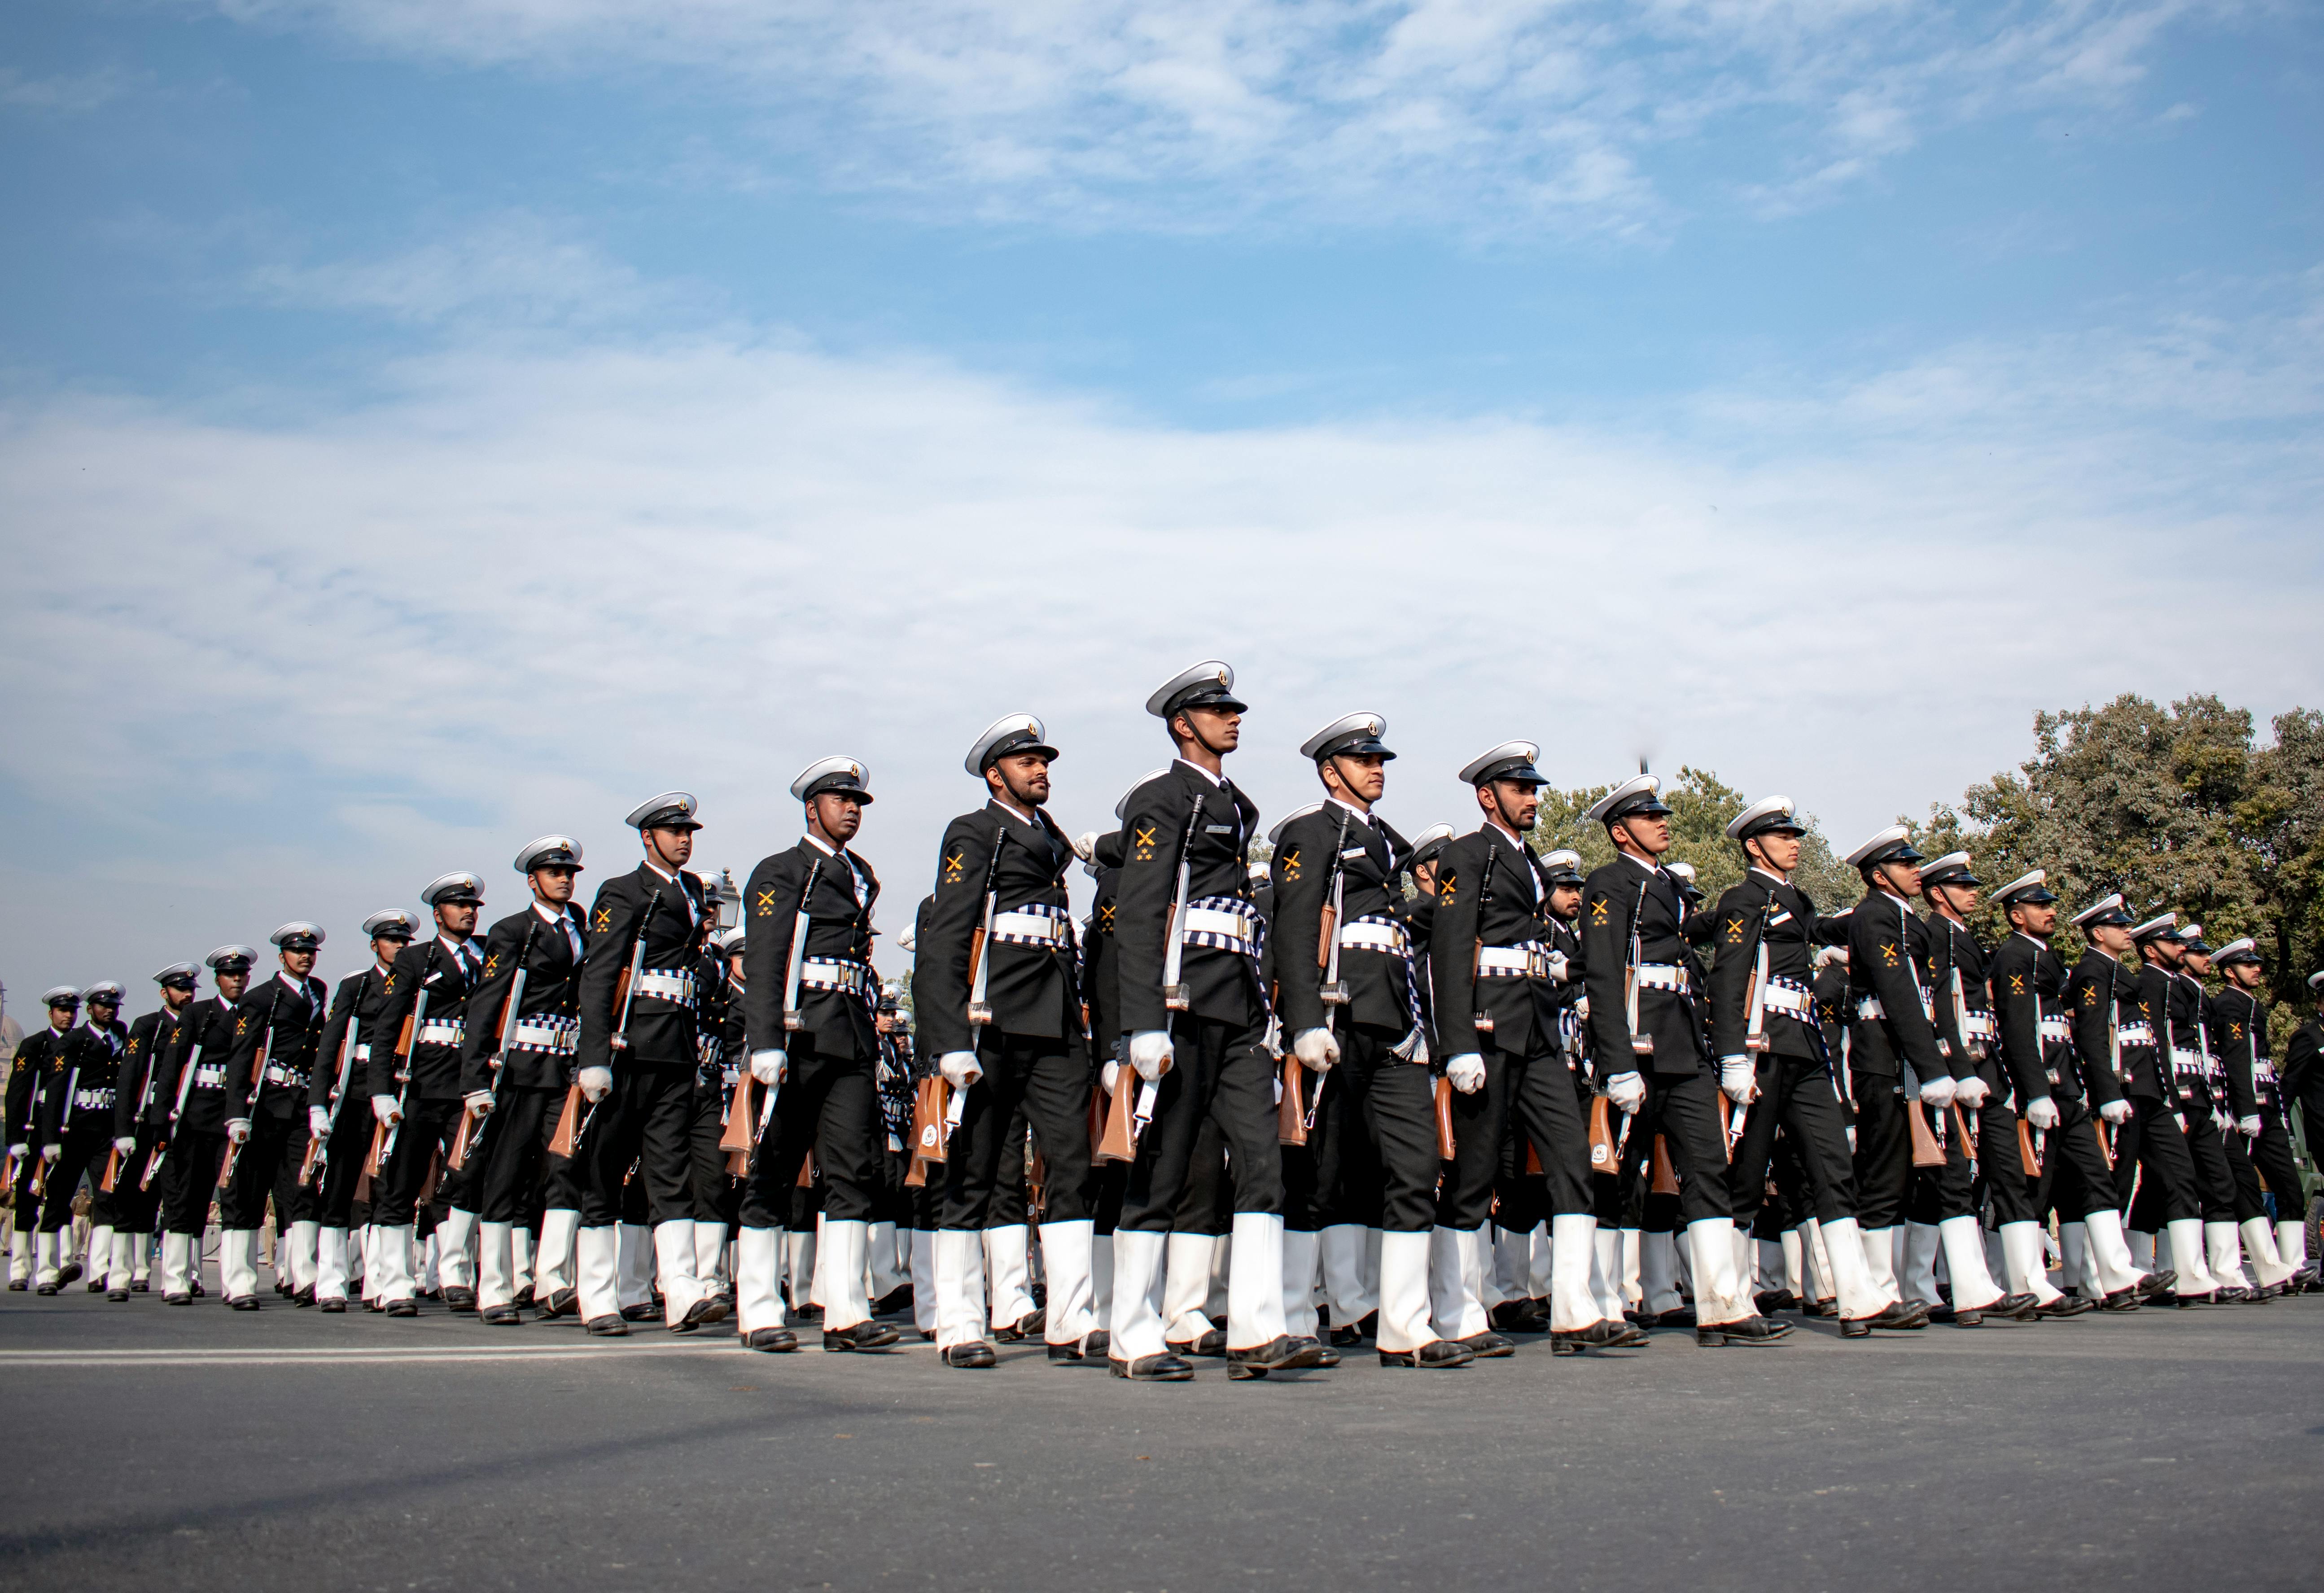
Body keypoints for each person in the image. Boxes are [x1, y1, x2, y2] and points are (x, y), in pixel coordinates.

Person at [1109, 663, 1321, 1382]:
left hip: (1235, 1011)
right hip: (1179, 1005)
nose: (1233, 718)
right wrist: (1141, 1021)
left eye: (1234, 708)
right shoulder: (1161, 799)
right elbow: (1140, 911)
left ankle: (1255, 1331)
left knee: (1261, 1163)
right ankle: (1132, 1331)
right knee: (1163, 1164)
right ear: (1181, 723)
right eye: (1217, 710)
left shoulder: (1234, 803)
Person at [1270, 715, 1465, 1369]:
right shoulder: (1310, 831)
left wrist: (1419, 1027)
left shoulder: (1388, 842)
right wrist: (1301, 1023)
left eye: (1380, 759)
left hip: (1390, 1022)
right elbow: (1296, 930)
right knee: (1318, 1171)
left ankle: (1402, 1326)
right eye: (1362, 760)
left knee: (1412, 1167)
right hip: (1334, 1017)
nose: (1377, 768)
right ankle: (1296, 1315)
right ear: (1331, 771)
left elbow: (1404, 946)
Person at [917, 715, 1101, 1368]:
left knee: (1072, 1166)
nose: (1040, 769)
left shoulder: (1048, 839)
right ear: (995, 774)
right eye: (1026, 762)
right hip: (990, 1025)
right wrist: (948, 1038)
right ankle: (961, 1320)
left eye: (1043, 760)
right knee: (974, 1171)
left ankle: (1071, 1319)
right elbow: (945, 938)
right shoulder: (974, 832)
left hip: (1053, 1029)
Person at [1584, 775, 1782, 1346]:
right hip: (1637, 1050)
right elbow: (1602, 973)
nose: (1664, 822)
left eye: (1663, 815)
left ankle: (1723, 1305)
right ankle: (1602, 1301)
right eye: (1650, 818)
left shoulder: (1668, 885)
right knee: (1614, 1179)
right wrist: (1617, 1062)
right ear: (1621, 831)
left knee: (1709, 1169)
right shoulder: (1609, 883)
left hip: (1684, 1051)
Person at [1710, 797, 1917, 1335]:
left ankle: (1858, 1296)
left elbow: (1826, 930)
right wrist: (1732, 1057)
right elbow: (1729, 981)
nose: (1795, 842)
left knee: (1834, 1167)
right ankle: (1728, 1301)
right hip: (1761, 1049)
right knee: (1747, 1176)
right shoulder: (1743, 900)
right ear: (1755, 845)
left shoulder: (1797, 902)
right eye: (1783, 836)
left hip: (1803, 1048)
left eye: (1796, 834)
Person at [737, 760, 899, 1354]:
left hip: (851, 1036)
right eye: (840, 799)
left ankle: (845, 1311)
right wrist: (764, 1043)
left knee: (852, 1170)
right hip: (798, 1034)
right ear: (811, 807)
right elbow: (765, 961)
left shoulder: (860, 873)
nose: (851, 808)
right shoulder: (782, 871)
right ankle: (757, 1309)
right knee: (775, 1167)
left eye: (858, 801)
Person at [573, 795, 726, 1337]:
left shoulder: (691, 892)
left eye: (689, 832)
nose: (684, 840)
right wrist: (593, 1058)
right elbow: (599, 976)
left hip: (675, 1054)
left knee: (670, 1173)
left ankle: (681, 1291)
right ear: (648, 837)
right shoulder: (623, 891)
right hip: (629, 1049)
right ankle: (596, 1296)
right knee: (605, 1170)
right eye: (673, 831)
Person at [457, 836, 592, 1326]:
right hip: (518, 1069)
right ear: (533, 880)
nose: (564, 879)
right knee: (506, 1176)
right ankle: (493, 1287)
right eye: (554, 872)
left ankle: (551, 1280)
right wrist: (474, 1078)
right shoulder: (512, 931)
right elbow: (486, 1006)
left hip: (564, 1072)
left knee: (564, 1170)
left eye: (570, 872)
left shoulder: (583, 931)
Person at [1982, 871, 2125, 1312]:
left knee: (2096, 1176)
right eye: (2039, 905)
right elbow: (2020, 1029)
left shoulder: (2046, 956)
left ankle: (2116, 1274)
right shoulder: (2014, 955)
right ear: (2015, 914)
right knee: (2031, 1188)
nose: (2050, 911)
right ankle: (2018, 1281)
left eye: (2050, 904)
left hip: (2067, 1089)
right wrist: (2035, 1090)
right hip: (2040, 1087)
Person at [1905, 854, 2035, 1323]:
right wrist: (1955, 1067)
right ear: (1938, 893)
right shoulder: (1934, 935)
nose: (1973, 891)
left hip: (1984, 1063)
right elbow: (1940, 1005)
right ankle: (1931, 1283)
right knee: (1946, 1179)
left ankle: (2020, 1278)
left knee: (1998, 1174)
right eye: (1963, 886)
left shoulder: (1966, 938)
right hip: (1955, 1065)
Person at [367, 875, 488, 1316]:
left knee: (468, 1177)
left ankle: (454, 1273)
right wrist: (381, 1091)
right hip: (419, 1086)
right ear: (439, 914)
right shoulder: (416, 959)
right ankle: (396, 1281)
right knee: (401, 1182)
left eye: (473, 905)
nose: (469, 912)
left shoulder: (488, 955)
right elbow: (386, 1030)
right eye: (458, 906)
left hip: (467, 1086)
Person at [2062, 895, 2189, 1299]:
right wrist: (2106, 1093)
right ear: (2098, 933)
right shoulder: (2092, 970)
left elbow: (2149, 1042)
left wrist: (2169, 1096)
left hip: (2148, 1092)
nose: (2127, 932)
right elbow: (2094, 1036)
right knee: (2113, 1184)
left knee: (2178, 1174)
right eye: (2119, 927)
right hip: (2122, 1090)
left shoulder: (2119, 972)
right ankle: (2097, 1279)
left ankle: (2186, 1271)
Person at [213, 924, 329, 1309]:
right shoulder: (261, 998)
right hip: (263, 1105)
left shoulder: (318, 992)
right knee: (248, 1192)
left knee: (302, 1188)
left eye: (310, 951)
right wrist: (237, 1114)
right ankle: (241, 1282)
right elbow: (241, 1057)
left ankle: (304, 1277)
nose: (305, 957)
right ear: (283, 956)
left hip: (300, 1104)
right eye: (297, 951)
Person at [307, 911, 415, 1312]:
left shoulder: (415, 983)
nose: (400, 947)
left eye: (404, 941)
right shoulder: (355, 986)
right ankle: (332, 1281)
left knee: (388, 1187)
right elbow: (330, 1049)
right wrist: (319, 1103)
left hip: (394, 1094)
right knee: (339, 1185)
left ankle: (379, 1281)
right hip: (354, 1094)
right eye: (391, 941)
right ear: (376, 945)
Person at [108, 964, 199, 1299]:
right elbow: (129, 1079)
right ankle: (121, 1275)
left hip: (184, 1120)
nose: (187, 995)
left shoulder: (200, 1023)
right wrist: (124, 1130)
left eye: (191, 989)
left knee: (177, 1196)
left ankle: (174, 1276)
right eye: (180, 989)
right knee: (131, 1196)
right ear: (165, 993)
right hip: (145, 1120)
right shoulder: (147, 1026)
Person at [13, 989, 85, 1293]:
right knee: (28, 1201)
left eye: (72, 1011)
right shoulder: (35, 1045)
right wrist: (16, 1137)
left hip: (67, 1130)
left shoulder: (81, 1045)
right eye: (62, 1010)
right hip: (36, 1128)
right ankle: (19, 1268)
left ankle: (52, 1268)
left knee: (59, 1199)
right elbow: (18, 1091)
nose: (68, 1015)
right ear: (51, 1013)